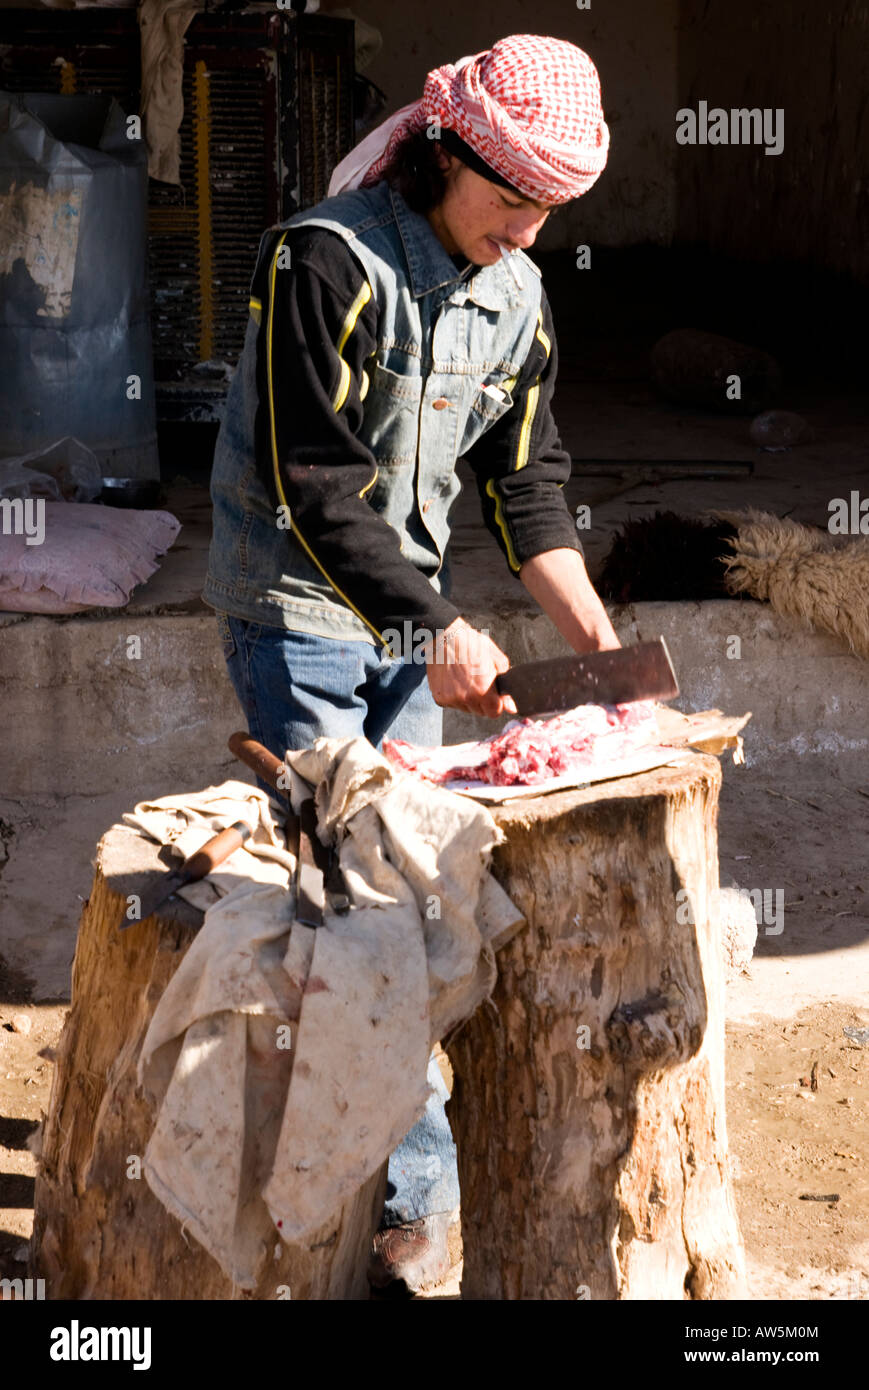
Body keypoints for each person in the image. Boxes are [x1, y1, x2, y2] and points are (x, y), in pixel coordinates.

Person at [204, 33, 619, 1294]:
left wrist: (596, 650)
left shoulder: (517, 295)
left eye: (547, 214)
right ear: (447, 159)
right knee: (374, 914)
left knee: (396, 898)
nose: (527, 235)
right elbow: (315, 484)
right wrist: (438, 621)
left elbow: (526, 485)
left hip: (408, 616)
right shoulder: (321, 258)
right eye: (509, 205)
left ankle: (334, 1153)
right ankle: (409, 1211)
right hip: (296, 608)